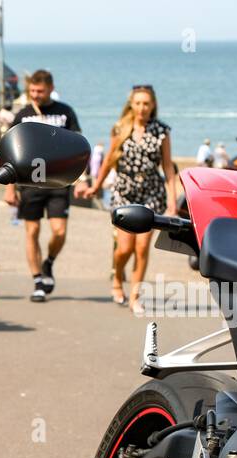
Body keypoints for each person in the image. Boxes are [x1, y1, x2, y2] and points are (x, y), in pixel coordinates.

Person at [81, 84, 179, 316]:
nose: (142, 108)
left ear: (153, 105)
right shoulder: (120, 128)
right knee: (124, 249)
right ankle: (117, 277)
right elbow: (108, 161)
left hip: (152, 192)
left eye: (146, 103)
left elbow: (168, 166)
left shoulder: (162, 131)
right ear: (131, 105)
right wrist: (96, 186)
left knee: (142, 248)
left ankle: (135, 295)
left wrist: (173, 201)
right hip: (124, 191)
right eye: (138, 103)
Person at [3, 69, 82, 303]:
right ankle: (37, 280)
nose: (35, 95)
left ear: (50, 88)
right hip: (29, 183)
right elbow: (9, 149)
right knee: (32, 231)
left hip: (58, 181)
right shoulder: (23, 115)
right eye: (32, 91)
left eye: (40, 91)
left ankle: (49, 262)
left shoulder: (65, 113)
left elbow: (77, 146)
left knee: (59, 232)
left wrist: (81, 178)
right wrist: (9, 187)